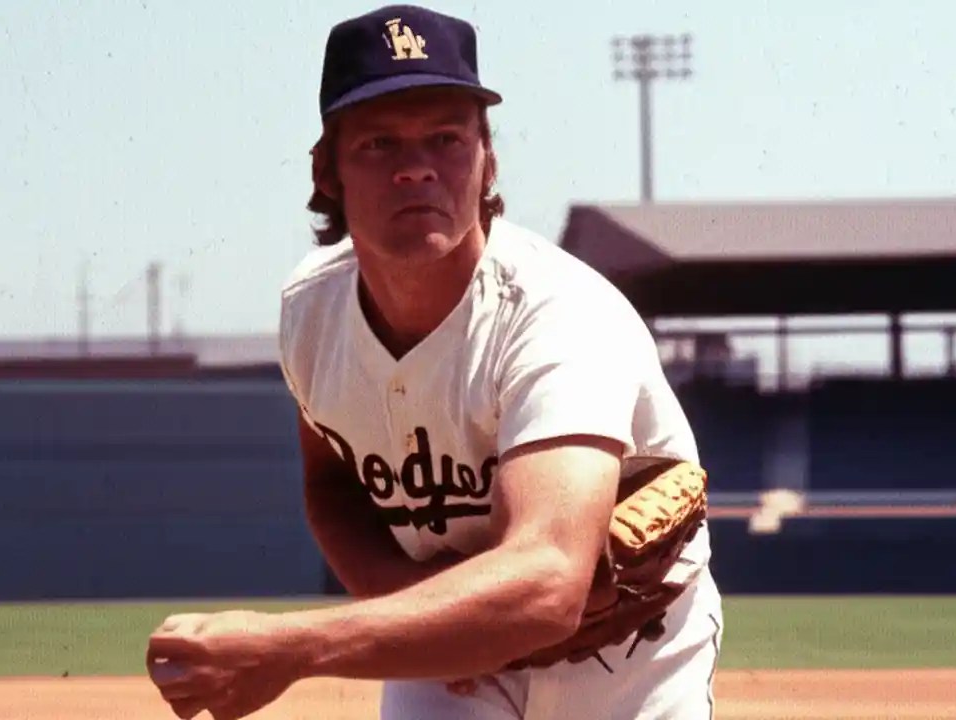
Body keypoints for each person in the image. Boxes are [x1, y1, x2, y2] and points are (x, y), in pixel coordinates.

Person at [145, 5, 723, 719]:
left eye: (446, 139)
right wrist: (415, 616)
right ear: (327, 170)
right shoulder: (312, 314)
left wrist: (291, 645)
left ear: (488, 161)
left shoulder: (556, 314)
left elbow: (546, 584)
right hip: (454, 655)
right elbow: (332, 485)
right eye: (380, 144)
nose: (416, 168)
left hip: (627, 659)